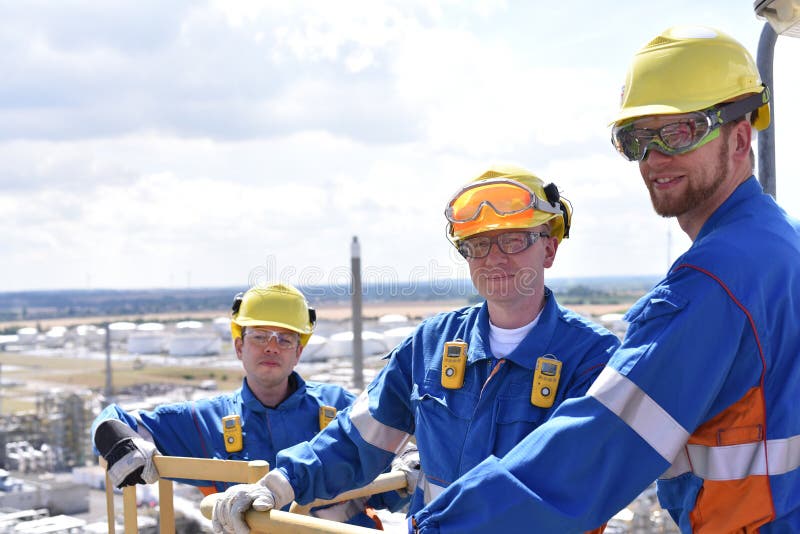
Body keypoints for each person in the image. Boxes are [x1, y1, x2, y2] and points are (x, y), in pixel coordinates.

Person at [392, 26, 796, 533]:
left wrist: (444, 526)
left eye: (678, 134)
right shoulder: (780, 246)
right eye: (637, 140)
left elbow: (603, 442)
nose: (654, 159)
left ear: (740, 137)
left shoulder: (718, 281)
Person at [211, 164, 622, 534]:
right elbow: (359, 438)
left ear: (548, 248)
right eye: (478, 245)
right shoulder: (433, 346)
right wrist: (281, 483)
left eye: (513, 241)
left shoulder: (591, 359)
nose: (493, 258)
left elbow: (560, 483)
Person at [92, 282, 412, 528]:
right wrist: (120, 442)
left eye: (285, 339)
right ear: (239, 347)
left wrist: (408, 462)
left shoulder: (339, 408)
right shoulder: (206, 422)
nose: (272, 347)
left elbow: (394, 467)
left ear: (298, 353)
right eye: (260, 336)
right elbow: (118, 421)